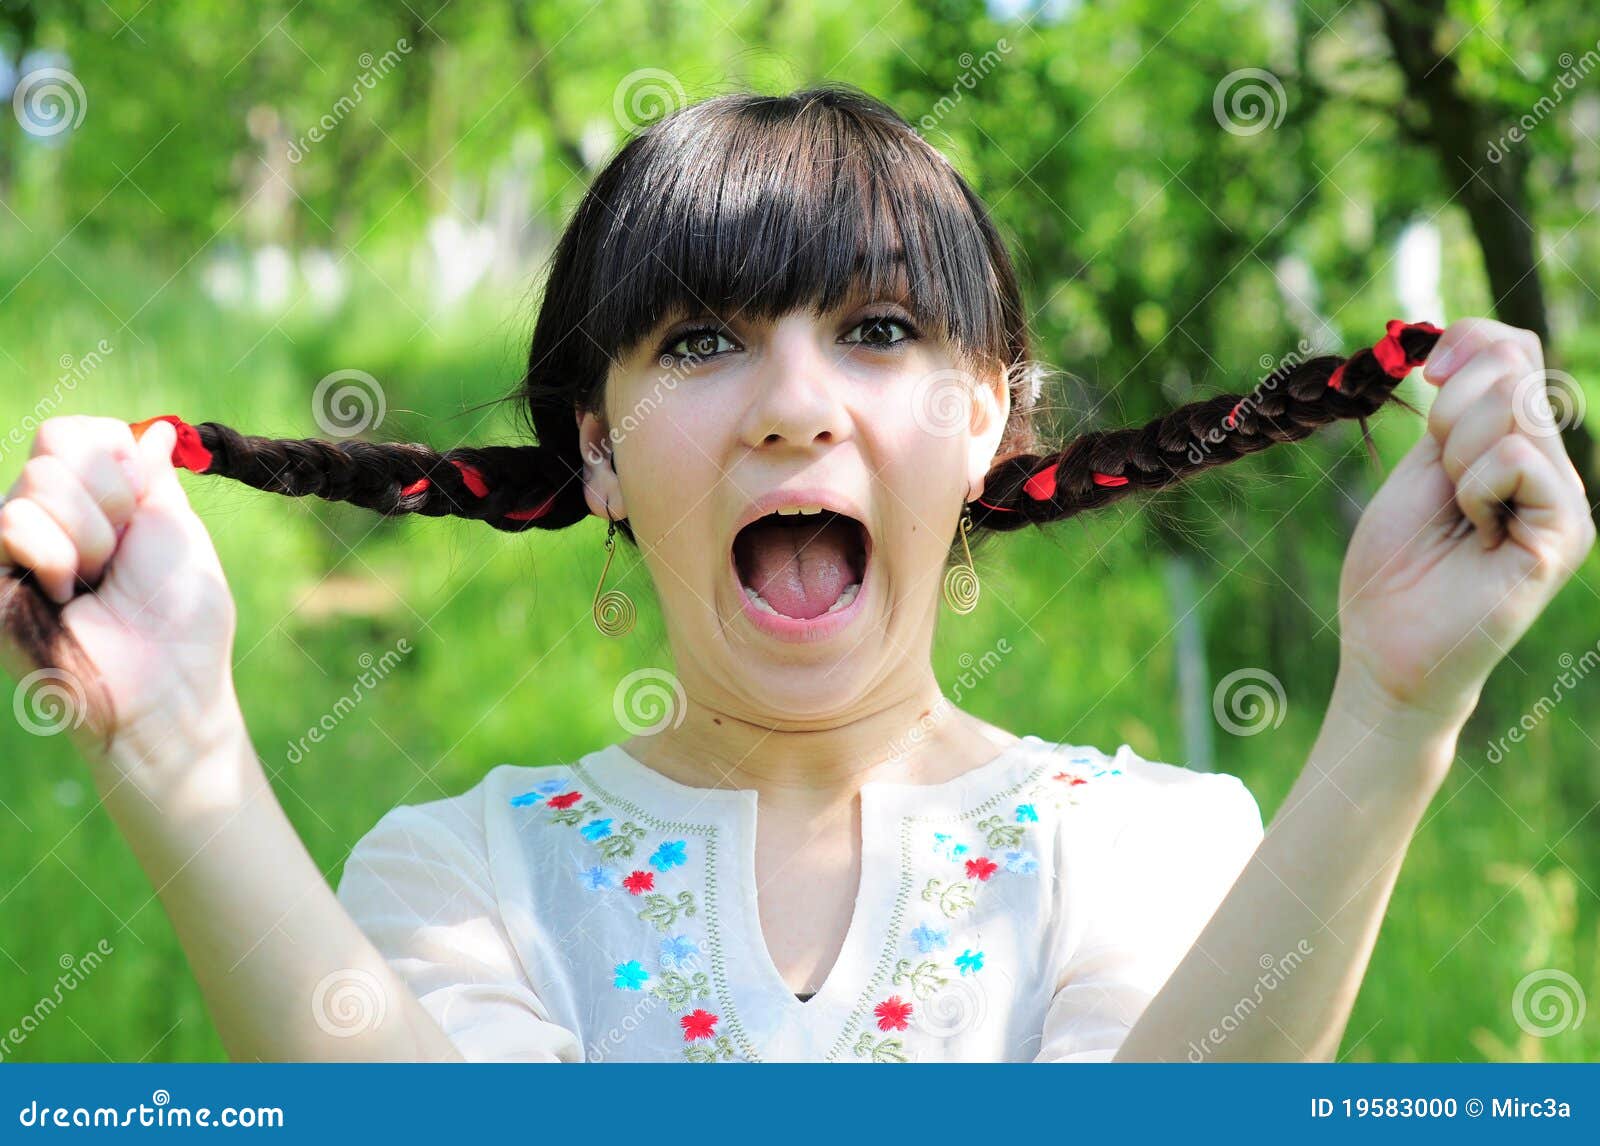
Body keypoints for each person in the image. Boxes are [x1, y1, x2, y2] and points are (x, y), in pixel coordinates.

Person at [1, 86, 1591, 1062]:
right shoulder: (456, 876)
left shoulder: (1168, 850)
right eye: (699, 341)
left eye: (881, 331)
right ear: (600, 450)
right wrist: (174, 749)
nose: (791, 403)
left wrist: (1396, 711)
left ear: (989, 422)